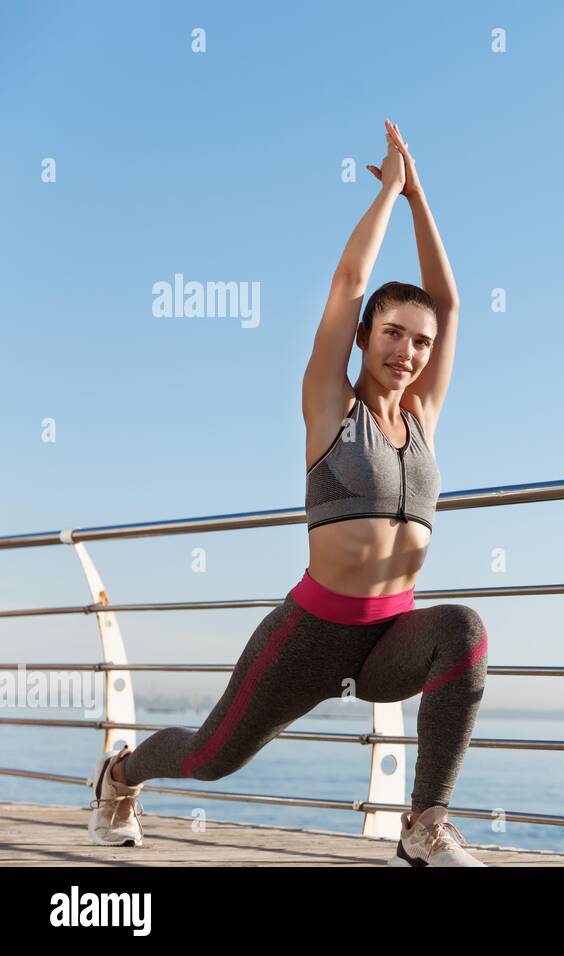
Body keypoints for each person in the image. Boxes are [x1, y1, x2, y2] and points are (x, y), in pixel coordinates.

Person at [87, 119, 489, 867]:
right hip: (310, 637)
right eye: (393, 334)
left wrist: (421, 198)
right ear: (367, 336)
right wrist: (389, 194)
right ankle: (119, 774)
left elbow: (453, 304)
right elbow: (346, 284)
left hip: (388, 640)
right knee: (211, 756)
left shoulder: (424, 418)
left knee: (462, 629)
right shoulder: (330, 407)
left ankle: (425, 823)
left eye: (421, 341)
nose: (408, 352)